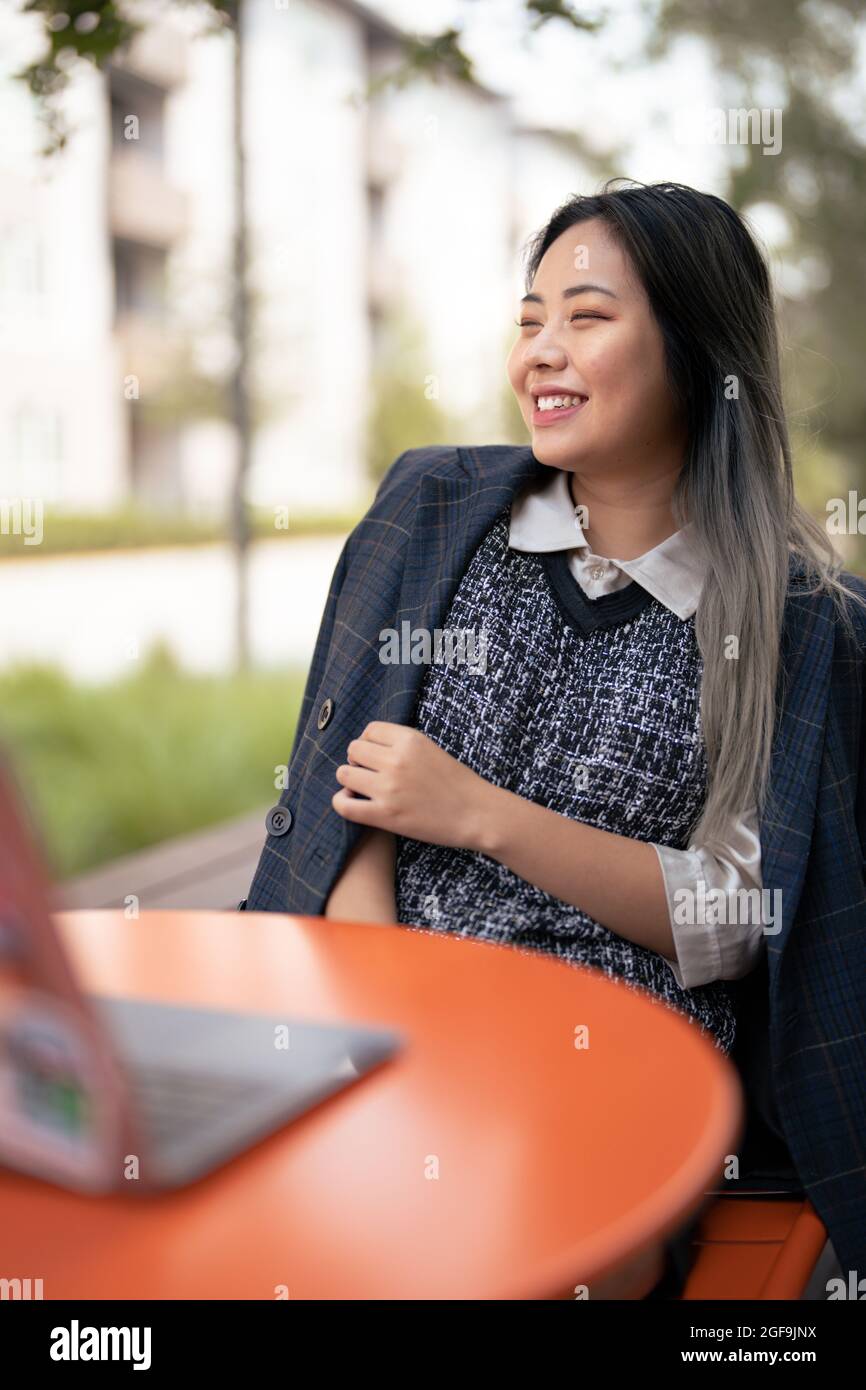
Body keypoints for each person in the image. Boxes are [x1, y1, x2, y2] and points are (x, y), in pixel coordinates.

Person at [242, 181, 866, 1290]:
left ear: (695, 346)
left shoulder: (793, 614)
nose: (540, 351)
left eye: (585, 316)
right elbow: (354, 812)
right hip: (391, 993)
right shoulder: (432, 510)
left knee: (534, 1239)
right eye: (529, 319)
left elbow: (738, 915)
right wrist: (396, 1012)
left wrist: (485, 817)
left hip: (618, 1052)